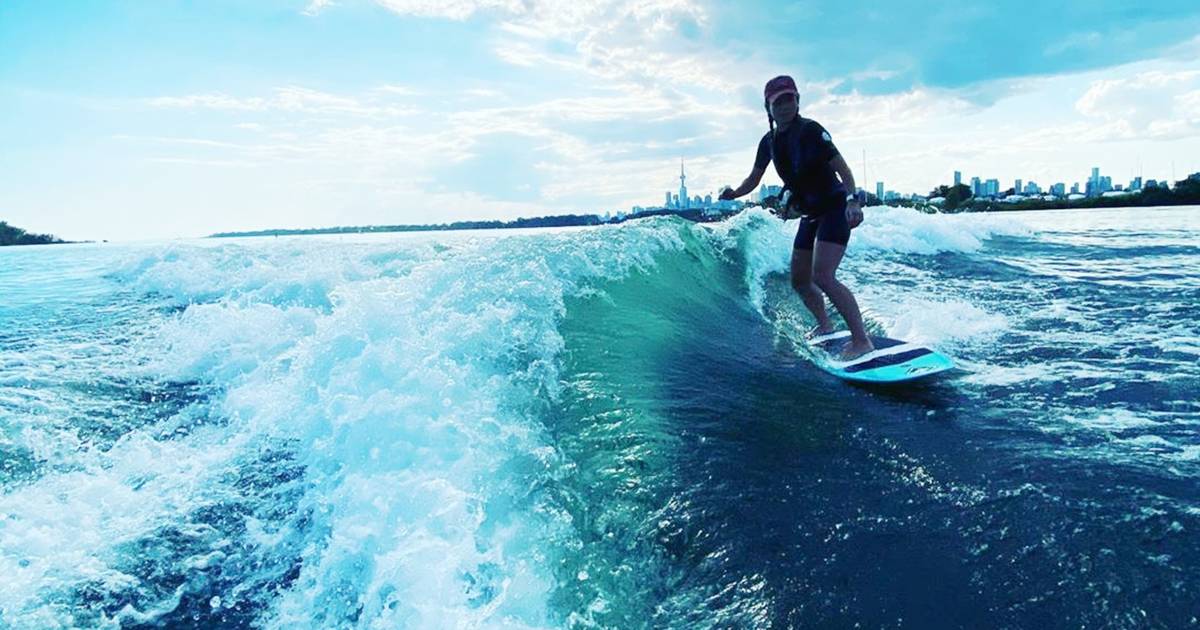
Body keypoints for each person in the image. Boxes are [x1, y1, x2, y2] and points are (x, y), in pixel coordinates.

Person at [719, 75, 874, 360]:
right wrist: (734, 193)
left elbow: (844, 170)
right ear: (769, 107)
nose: (786, 106)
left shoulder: (812, 131)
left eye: (790, 99)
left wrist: (853, 201)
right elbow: (754, 178)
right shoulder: (769, 142)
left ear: (798, 100)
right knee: (800, 280)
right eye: (779, 101)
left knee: (824, 276)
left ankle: (862, 341)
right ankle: (825, 327)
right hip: (811, 213)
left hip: (834, 206)